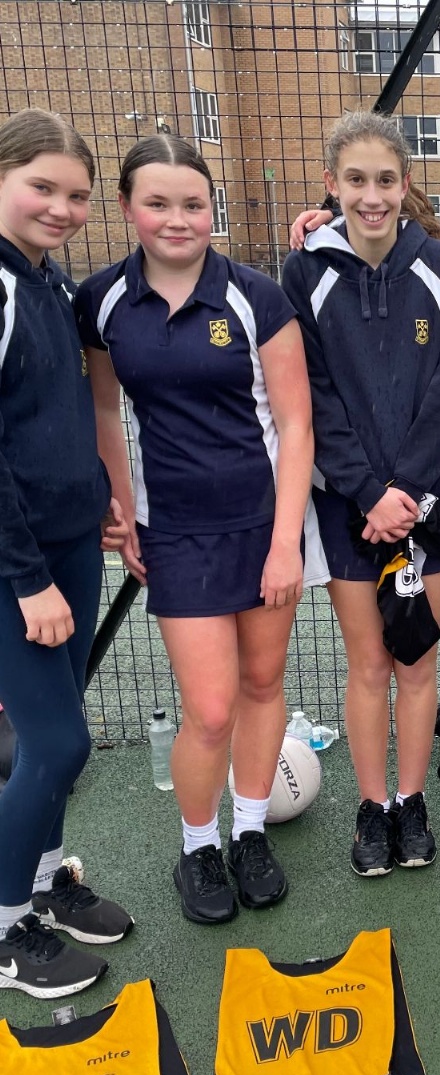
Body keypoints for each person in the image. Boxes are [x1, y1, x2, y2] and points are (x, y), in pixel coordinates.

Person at [77, 135, 313, 926]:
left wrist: (286, 542)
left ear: (212, 208)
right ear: (126, 208)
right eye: (158, 203)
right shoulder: (102, 300)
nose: (177, 219)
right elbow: (104, 406)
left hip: (264, 526)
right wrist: (122, 506)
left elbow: (296, 423)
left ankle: (250, 834)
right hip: (174, 532)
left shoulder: (255, 296)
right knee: (210, 709)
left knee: (263, 685)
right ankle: (199, 846)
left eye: (193, 204)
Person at [281, 112, 440, 879]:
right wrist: (368, 493)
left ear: (405, 184)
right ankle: (372, 807)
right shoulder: (304, 272)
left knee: (416, 661)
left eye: (385, 180)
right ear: (331, 183)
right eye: (356, 180)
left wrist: (406, 491)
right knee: (368, 663)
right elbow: (313, 395)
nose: (371, 195)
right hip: (347, 508)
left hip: (425, 505)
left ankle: (411, 801)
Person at [0, 108, 134, 998]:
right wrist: (27, 580)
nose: (61, 208)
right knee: (54, 744)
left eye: (78, 195)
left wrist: (101, 504)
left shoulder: (49, 282)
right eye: (41, 187)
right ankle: (6, 926)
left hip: (70, 543)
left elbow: (56, 417)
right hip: (18, 565)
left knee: (58, 735)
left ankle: (46, 883)